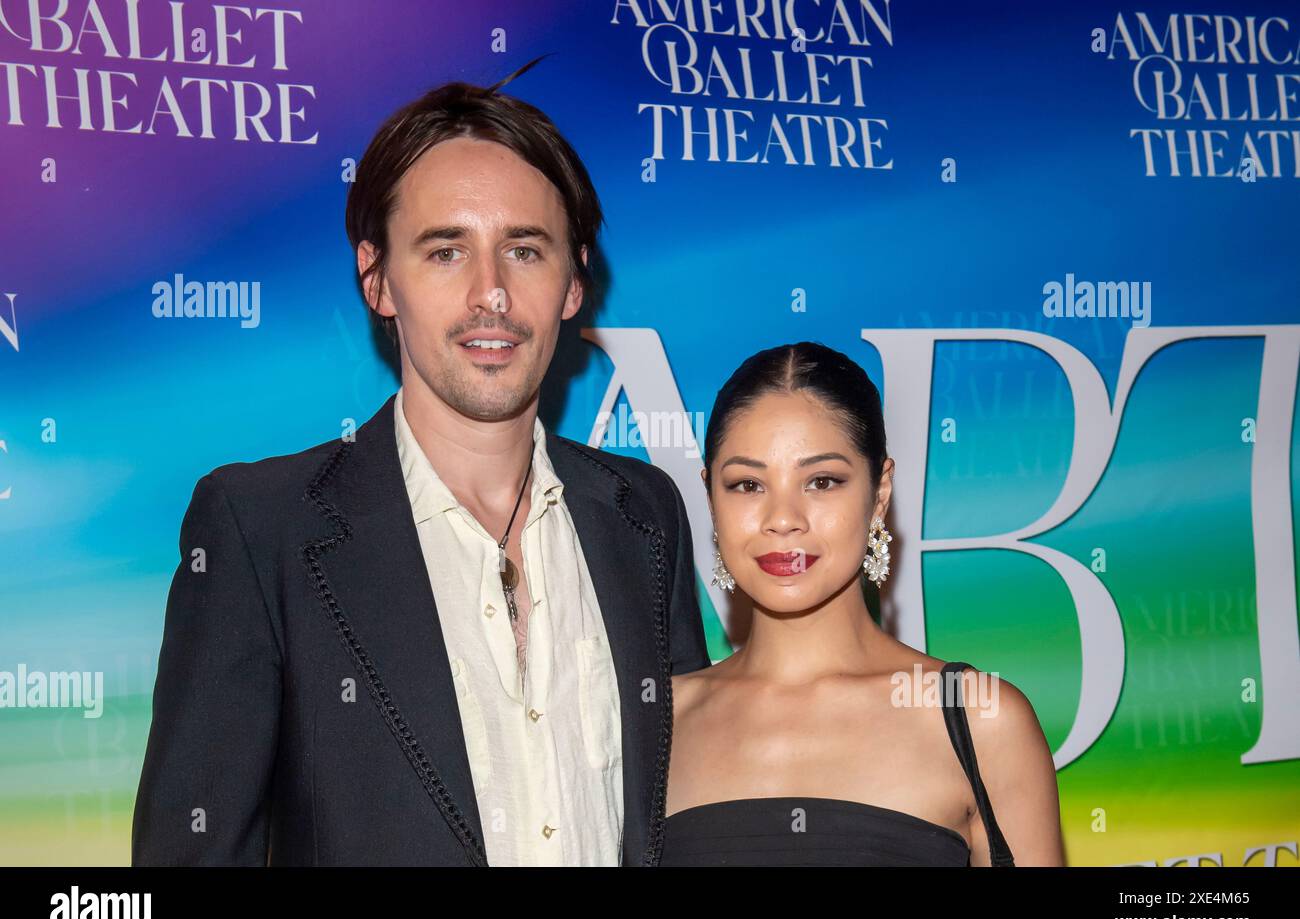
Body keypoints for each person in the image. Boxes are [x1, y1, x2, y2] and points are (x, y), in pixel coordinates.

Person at [132, 72, 711, 866]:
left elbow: (688, 818)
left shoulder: (646, 514)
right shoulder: (260, 529)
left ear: (574, 280)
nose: (492, 295)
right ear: (377, 278)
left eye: (524, 249)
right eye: (446, 251)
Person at [661, 342, 1064, 866]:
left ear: (879, 492)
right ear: (711, 496)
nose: (783, 518)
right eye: (748, 484)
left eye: (822, 481)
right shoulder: (655, 724)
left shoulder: (977, 720)